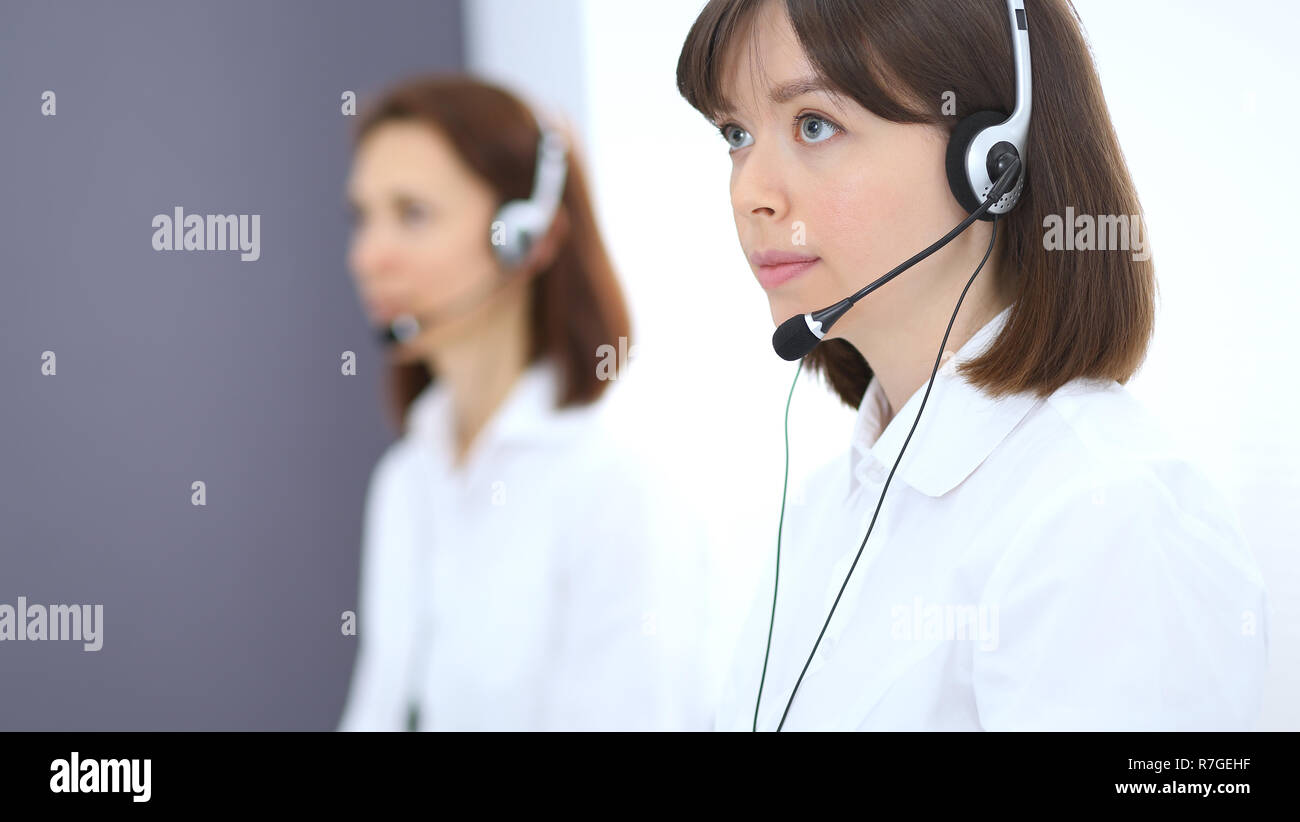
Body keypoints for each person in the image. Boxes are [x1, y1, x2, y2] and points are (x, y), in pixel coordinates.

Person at [675, 0, 1269, 730]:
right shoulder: (829, 513)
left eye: (814, 124)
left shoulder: (1107, 519)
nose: (747, 194)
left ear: (992, 163)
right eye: (735, 134)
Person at [337, 74, 710, 731]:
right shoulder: (404, 483)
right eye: (363, 217)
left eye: (412, 214)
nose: (368, 255)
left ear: (527, 238)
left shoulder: (615, 492)